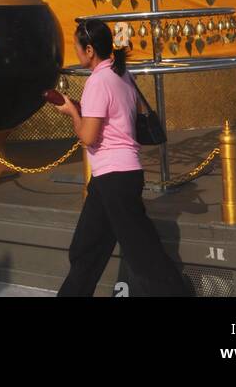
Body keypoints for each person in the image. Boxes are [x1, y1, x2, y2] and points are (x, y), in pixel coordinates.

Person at [54, 18, 190, 297]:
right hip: (115, 176)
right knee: (86, 247)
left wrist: (73, 113)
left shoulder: (97, 81)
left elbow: (89, 137)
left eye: (78, 47)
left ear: (90, 50)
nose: (76, 53)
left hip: (114, 178)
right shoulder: (122, 75)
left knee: (143, 253)